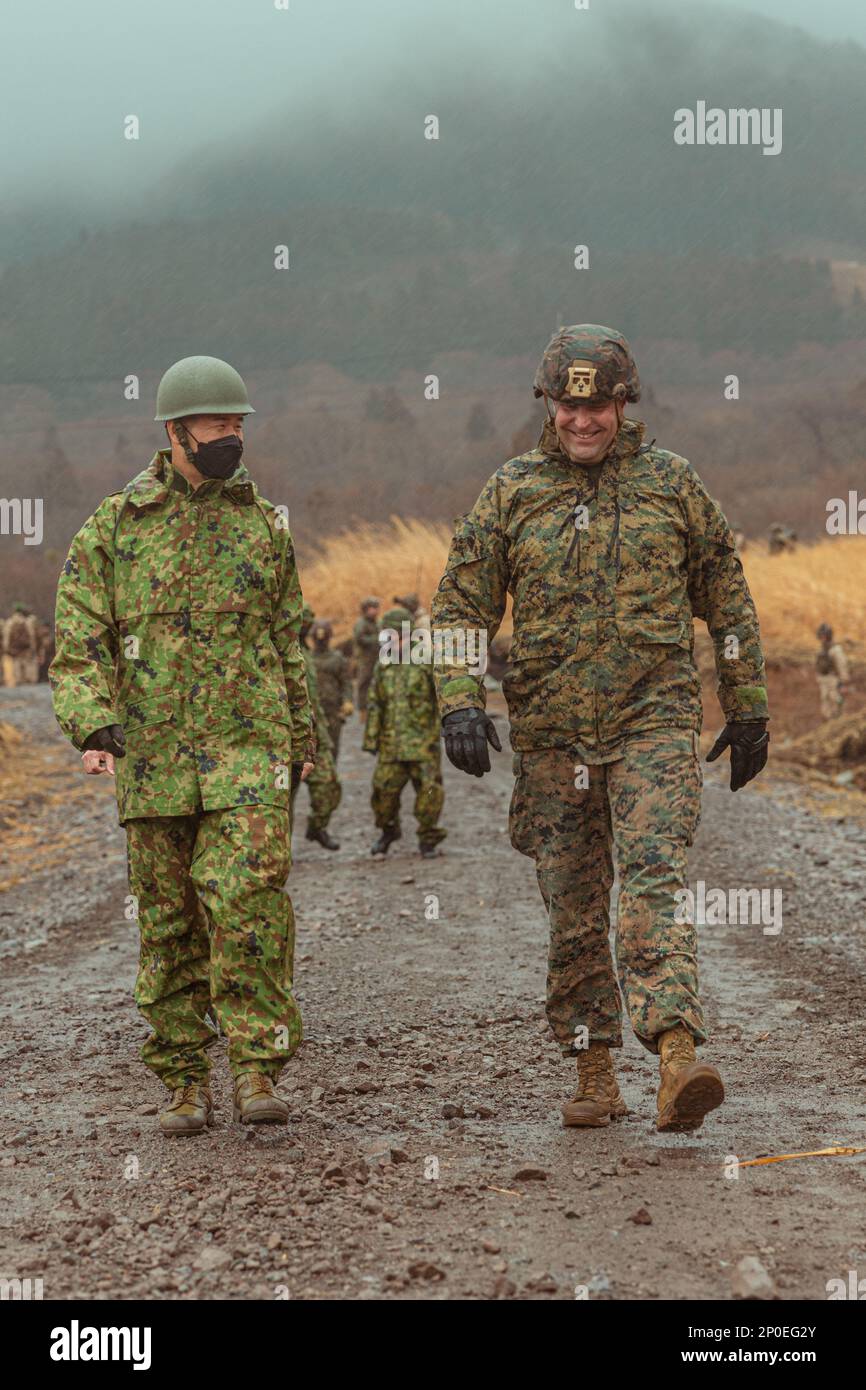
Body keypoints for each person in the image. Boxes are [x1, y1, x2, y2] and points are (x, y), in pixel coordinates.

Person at [432, 324, 769, 1133]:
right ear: (547, 405)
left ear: (625, 404)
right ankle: (592, 1070)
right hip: (552, 735)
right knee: (576, 909)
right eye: (568, 405)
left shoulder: (671, 485)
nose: (584, 421)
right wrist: (458, 698)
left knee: (651, 882)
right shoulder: (511, 492)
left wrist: (747, 700)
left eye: (600, 405)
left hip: (653, 721)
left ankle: (677, 1054)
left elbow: (726, 592)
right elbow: (459, 607)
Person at [49, 355, 314, 1135]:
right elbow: (78, 638)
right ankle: (184, 1078)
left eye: (239, 424)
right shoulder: (115, 529)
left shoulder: (264, 526)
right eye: (218, 425)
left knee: (250, 908)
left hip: (248, 754)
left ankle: (258, 1069)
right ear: (176, 433)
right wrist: (91, 722)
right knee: (169, 923)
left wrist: (302, 738)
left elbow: (287, 640)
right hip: (154, 759)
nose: (232, 436)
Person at [363, 605, 446, 859]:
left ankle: (428, 839)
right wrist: (371, 739)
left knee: (430, 794)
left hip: (423, 744)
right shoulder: (383, 665)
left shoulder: (426, 662)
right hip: (391, 746)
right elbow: (375, 703)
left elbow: (441, 700)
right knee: (382, 795)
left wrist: (447, 732)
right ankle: (389, 831)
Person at [292, 605, 342, 850]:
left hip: (316, 734)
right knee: (283, 801)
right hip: (289, 736)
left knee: (329, 786)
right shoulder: (275, 651)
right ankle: (281, 852)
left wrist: (322, 733)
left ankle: (317, 827)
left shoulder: (306, 654)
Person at [310, 618, 354, 760]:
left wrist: (347, 700)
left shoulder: (337, 659)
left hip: (333, 713)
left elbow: (346, 682)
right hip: (311, 714)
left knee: (332, 751)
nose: (321, 641)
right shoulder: (305, 659)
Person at [815, 623, 850, 720]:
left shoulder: (835, 650)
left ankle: (838, 720)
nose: (822, 638)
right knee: (825, 701)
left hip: (833, 679)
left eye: (824, 636)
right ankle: (828, 721)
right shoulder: (822, 649)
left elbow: (842, 666)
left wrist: (843, 683)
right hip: (824, 680)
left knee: (836, 700)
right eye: (821, 636)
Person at [353, 597, 381, 715]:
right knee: (363, 683)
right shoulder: (361, 623)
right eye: (371, 608)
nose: (374, 611)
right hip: (365, 659)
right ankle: (362, 710)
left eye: (376, 608)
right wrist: (376, 639)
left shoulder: (376, 622)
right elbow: (360, 639)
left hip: (376, 658)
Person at [2, 603, 39, 686]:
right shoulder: (27, 621)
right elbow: (31, 635)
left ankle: (18, 680)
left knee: (16, 663)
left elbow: (6, 636)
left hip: (14, 648)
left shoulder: (10, 622)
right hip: (26, 647)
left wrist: (6, 647)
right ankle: (28, 680)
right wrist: (33, 647)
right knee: (27, 663)